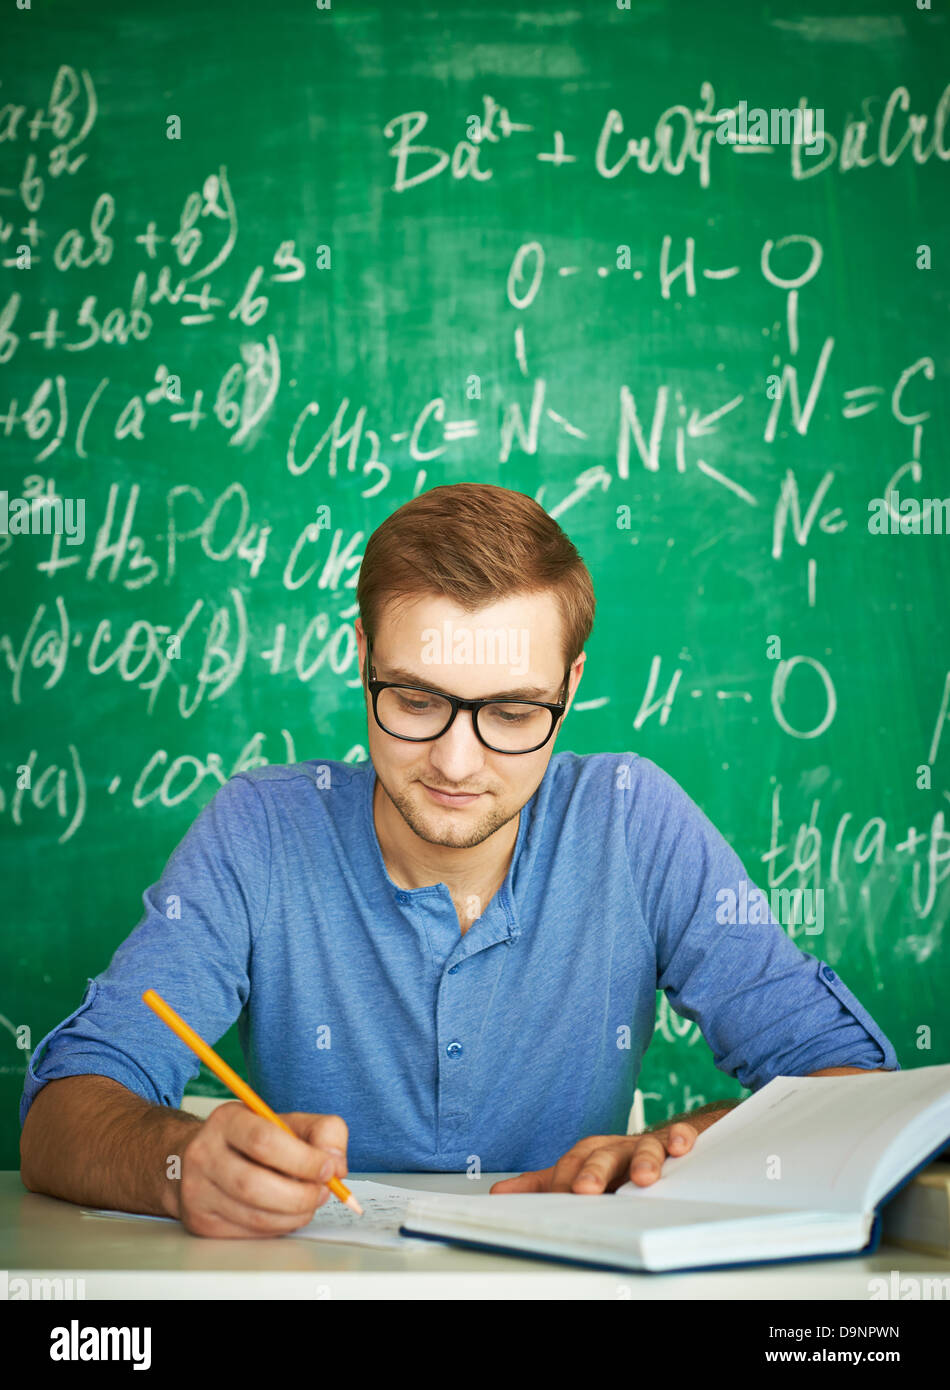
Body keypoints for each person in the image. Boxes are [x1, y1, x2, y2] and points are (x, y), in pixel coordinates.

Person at [19, 483, 898, 1239]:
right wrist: (180, 1163)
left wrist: (678, 1148)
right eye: (414, 699)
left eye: (514, 714)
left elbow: (854, 1088)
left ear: (572, 688)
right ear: (361, 659)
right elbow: (62, 1114)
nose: (456, 763)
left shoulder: (635, 820)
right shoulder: (260, 831)